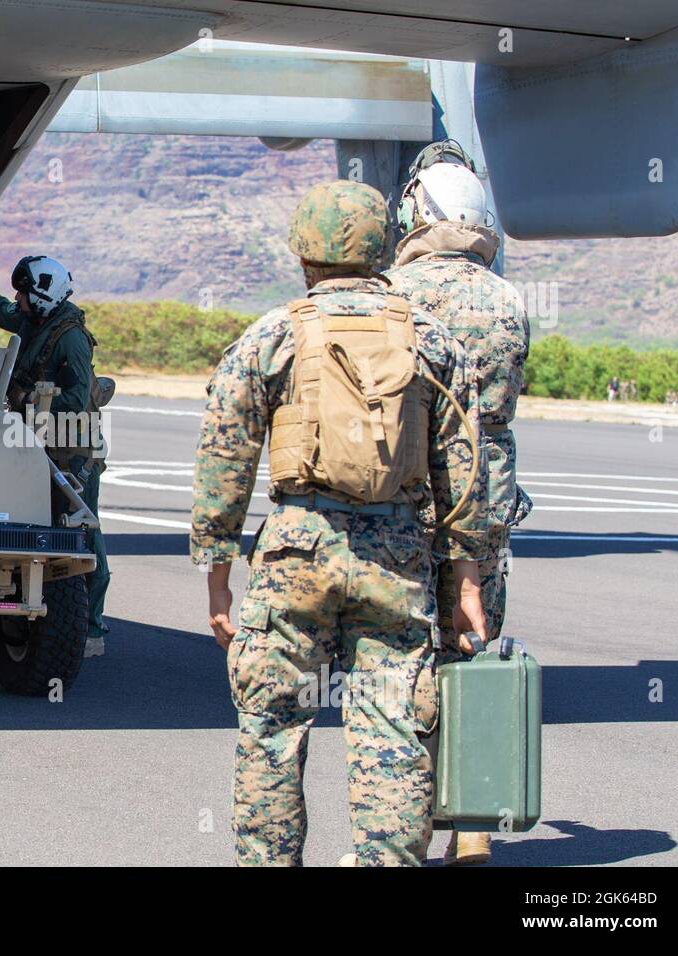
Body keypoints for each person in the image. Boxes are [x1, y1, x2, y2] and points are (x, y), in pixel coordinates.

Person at [191, 180, 489, 866]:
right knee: (394, 728)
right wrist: (467, 578)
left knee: (272, 724)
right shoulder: (431, 341)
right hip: (396, 554)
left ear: (303, 252)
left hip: (297, 550)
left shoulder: (272, 335)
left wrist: (217, 578)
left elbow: (223, 463)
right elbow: (462, 468)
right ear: (384, 247)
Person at [387, 152, 532, 866]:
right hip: (488, 505)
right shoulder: (507, 300)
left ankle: (398, 830)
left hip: (410, 500)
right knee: (471, 651)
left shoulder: (392, 293)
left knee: (401, 660)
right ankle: (471, 827)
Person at [0, 257, 110, 658]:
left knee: (80, 533)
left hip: (71, 449)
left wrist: (28, 398)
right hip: (38, 440)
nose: (17, 299)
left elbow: (76, 398)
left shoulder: (70, 339)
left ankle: (90, 629)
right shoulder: (34, 319)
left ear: (41, 297)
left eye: (23, 292)